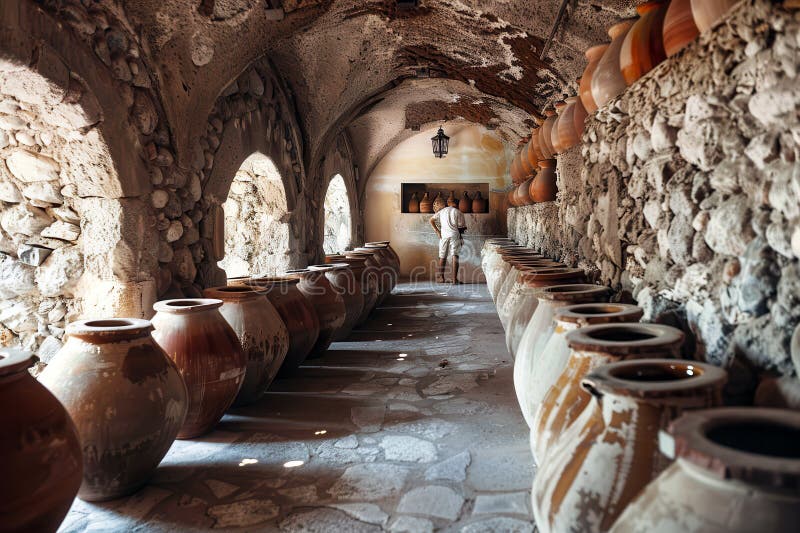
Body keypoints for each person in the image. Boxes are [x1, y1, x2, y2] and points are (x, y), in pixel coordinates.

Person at [429, 202, 467, 284]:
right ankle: (454, 280)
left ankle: (441, 278)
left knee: (442, 256)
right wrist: (461, 237)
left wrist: (437, 231)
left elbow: (431, 220)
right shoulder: (458, 212)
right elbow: (461, 228)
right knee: (455, 255)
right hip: (454, 235)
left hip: (444, 236)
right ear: (456, 205)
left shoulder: (442, 211)